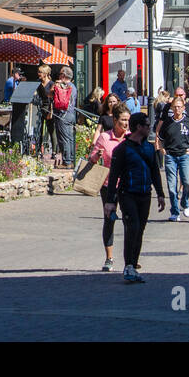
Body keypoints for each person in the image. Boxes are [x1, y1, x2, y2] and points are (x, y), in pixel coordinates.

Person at [104, 110, 166, 283]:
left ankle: (133, 262)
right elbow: (114, 175)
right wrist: (110, 202)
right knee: (132, 227)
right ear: (139, 127)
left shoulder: (148, 147)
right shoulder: (122, 149)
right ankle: (129, 266)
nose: (149, 128)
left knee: (140, 230)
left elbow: (155, 171)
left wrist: (160, 194)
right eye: (147, 125)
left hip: (145, 194)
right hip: (127, 194)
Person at [85, 101, 130, 270]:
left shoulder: (131, 137)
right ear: (115, 121)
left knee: (129, 221)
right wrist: (97, 154)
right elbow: (92, 159)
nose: (125, 124)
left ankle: (129, 258)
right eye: (122, 121)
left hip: (127, 184)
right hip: (108, 185)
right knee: (109, 220)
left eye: (127, 120)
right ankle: (109, 258)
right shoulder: (105, 137)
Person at [154, 93, 189, 220]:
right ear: (171, 108)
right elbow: (160, 137)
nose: (177, 109)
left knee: (188, 182)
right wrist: (163, 150)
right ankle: (174, 211)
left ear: (184, 108)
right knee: (172, 186)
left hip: (185, 155)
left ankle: (185, 202)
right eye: (175, 107)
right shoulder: (167, 123)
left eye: (179, 107)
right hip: (171, 156)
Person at [51, 66, 79, 166]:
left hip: (62, 114)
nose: (59, 76)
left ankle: (67, 161)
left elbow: (50, 94)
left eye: (60, 74)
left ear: (63, 75)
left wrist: (55, 85)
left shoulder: (63, 85)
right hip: (71, 114)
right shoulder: (73, 87)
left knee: (64, 138)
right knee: (70, 138)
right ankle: (71, 159)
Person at [32, 64, 55, 161]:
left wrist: (52, 110)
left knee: (51, 129)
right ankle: (38, 150)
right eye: (38, 72)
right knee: (38, 128)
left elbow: (53, 98)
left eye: (40, 72)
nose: (38, 74)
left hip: (49, 107)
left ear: (45, 74)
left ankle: (54, 151)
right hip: (39, 107)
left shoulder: (51, 84)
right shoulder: (38, 83)